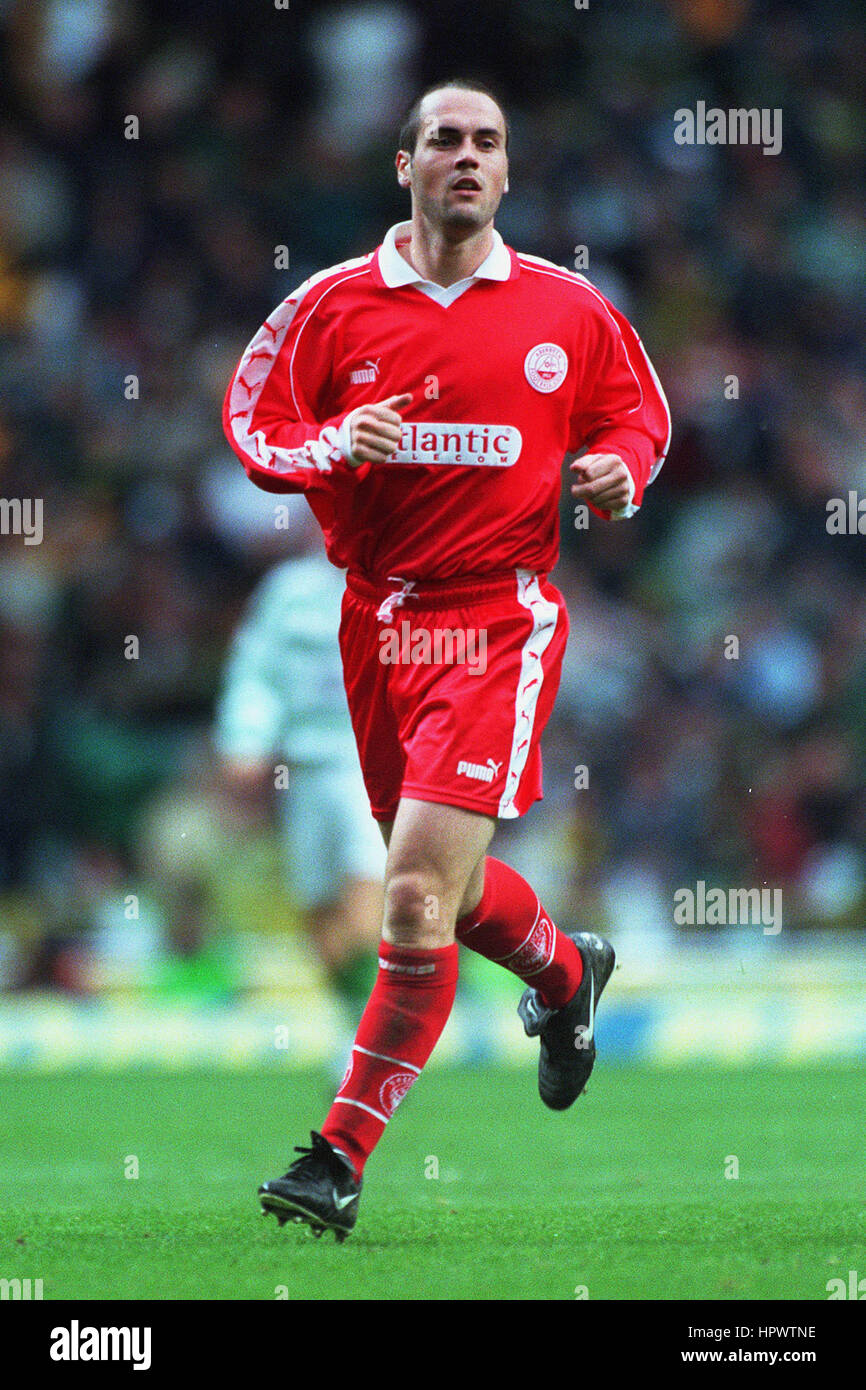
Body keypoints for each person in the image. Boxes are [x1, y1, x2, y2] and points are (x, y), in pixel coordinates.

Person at [224, 78, 671, 1241]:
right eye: (442, 141)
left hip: (493, 624)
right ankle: (567, 970)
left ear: (507, 173)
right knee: (456, 895)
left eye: (485, 142)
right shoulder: (329, 306)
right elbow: (251, 421)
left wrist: (621, 472)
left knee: (412, 894)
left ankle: (336, 1155)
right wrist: (327, 444)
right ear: (405, 164)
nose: (464, 157)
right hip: (372, 623)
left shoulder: (564, 309)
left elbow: (640, 418)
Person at [213, 503, 385, 1031]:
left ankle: (375, 1040)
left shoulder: (400, 587)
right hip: (305, 768)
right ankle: (354, 1024)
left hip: (372, 767)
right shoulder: (288, 592)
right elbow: (256, 670)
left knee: (366, 896)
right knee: (317, 909)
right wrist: (245, 741)